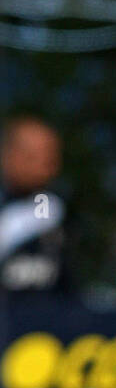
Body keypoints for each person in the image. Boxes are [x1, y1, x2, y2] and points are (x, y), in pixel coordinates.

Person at [0, 116, 71, 293]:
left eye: (50, 157)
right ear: (7, 155)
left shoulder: (64, 214)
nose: (45, 166)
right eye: (31, 156)